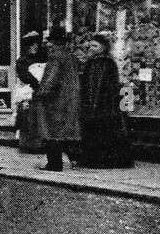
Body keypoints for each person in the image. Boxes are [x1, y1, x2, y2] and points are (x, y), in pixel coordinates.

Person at [78, 34, 133, 168]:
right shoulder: (107, 62)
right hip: (108, 106)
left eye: (95, 46)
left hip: (99, 106)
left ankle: (97, 160)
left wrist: (91, 106)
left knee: (98, 134)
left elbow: (94, 87)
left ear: (103, 48)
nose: (91, 48)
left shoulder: (98, 63)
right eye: (90, 45)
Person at [30, 25, 80, 172]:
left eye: (49, 41)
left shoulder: (55, 57)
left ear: (53, 42)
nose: (47, 44)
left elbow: (51, 79)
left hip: (56, 100)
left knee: (51, 131)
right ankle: (73, 159)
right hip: (69, 98)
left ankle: (54, 164)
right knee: (63, 131)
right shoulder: (70, 56)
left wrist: (41, 93)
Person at [13, 31, 47, 153]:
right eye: (31, 45)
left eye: (36, 44)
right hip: (28, 91)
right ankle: (28, 144)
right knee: (27, 118)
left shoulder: (43, 59)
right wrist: (36, 85)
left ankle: (39, 143)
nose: (35, 47)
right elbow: (24, 76)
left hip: (40, 92)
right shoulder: (22, 61)